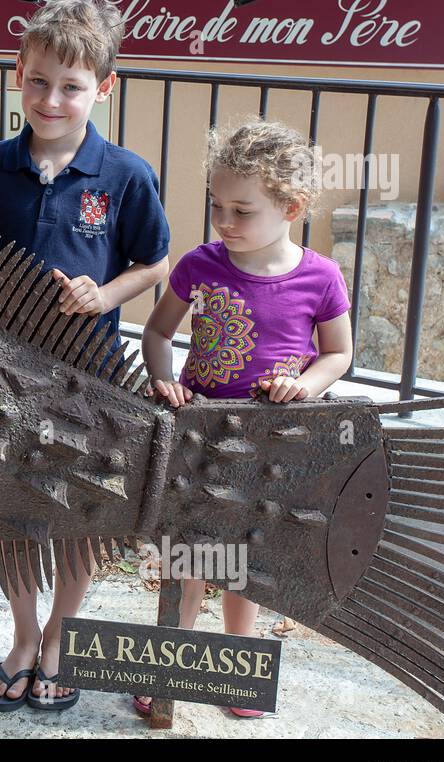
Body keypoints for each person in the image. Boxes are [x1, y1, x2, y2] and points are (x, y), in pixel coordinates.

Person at [0, 0, 171, 712]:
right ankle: (22, 637)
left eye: (72, 86)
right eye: (38, 82)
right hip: (4, 372)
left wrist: (106, 295)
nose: (52, 100)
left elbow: (154, 264)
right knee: (12, 507)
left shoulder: (126, 176)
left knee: (77, 512)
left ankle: (62, 636)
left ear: (103, 89)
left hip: (90, 376)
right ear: (17, 75)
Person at [135, 117, 354, 718]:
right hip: (201, 431)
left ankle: (239, 668)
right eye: (216, 206)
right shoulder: (199, 265)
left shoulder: (321, 277)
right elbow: (157, 331)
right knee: (187, 554)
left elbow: (339, 353)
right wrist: (163, 379)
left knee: (244, 556)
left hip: (271, 439)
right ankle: (167, 664)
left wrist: (304, 384)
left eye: (242, 210)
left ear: (292, 207)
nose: (224, 223)